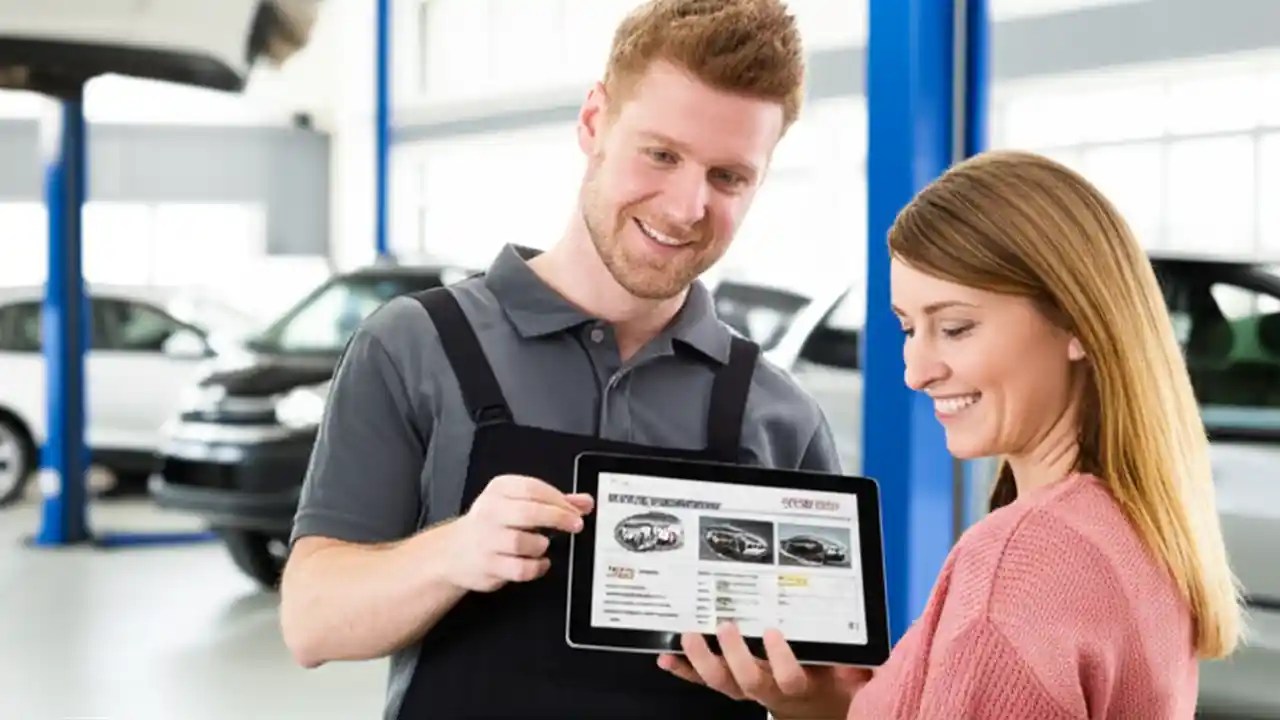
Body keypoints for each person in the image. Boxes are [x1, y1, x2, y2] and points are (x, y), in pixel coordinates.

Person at [277, 1, 845, 718]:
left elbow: (832, 700)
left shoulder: (780, 414)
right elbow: (312, 620)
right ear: (593, 122)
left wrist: (799, 698)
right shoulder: (415, 345)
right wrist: (454, 553)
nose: (685, 206)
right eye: (661, 154)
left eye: (729, 177)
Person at [658, 150, 1244, 719]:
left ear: (1076, 322)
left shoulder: (1020, 560)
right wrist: (830, 706)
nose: (916, 371)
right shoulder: (1138, 530)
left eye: (956, 327)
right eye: (909, 328)